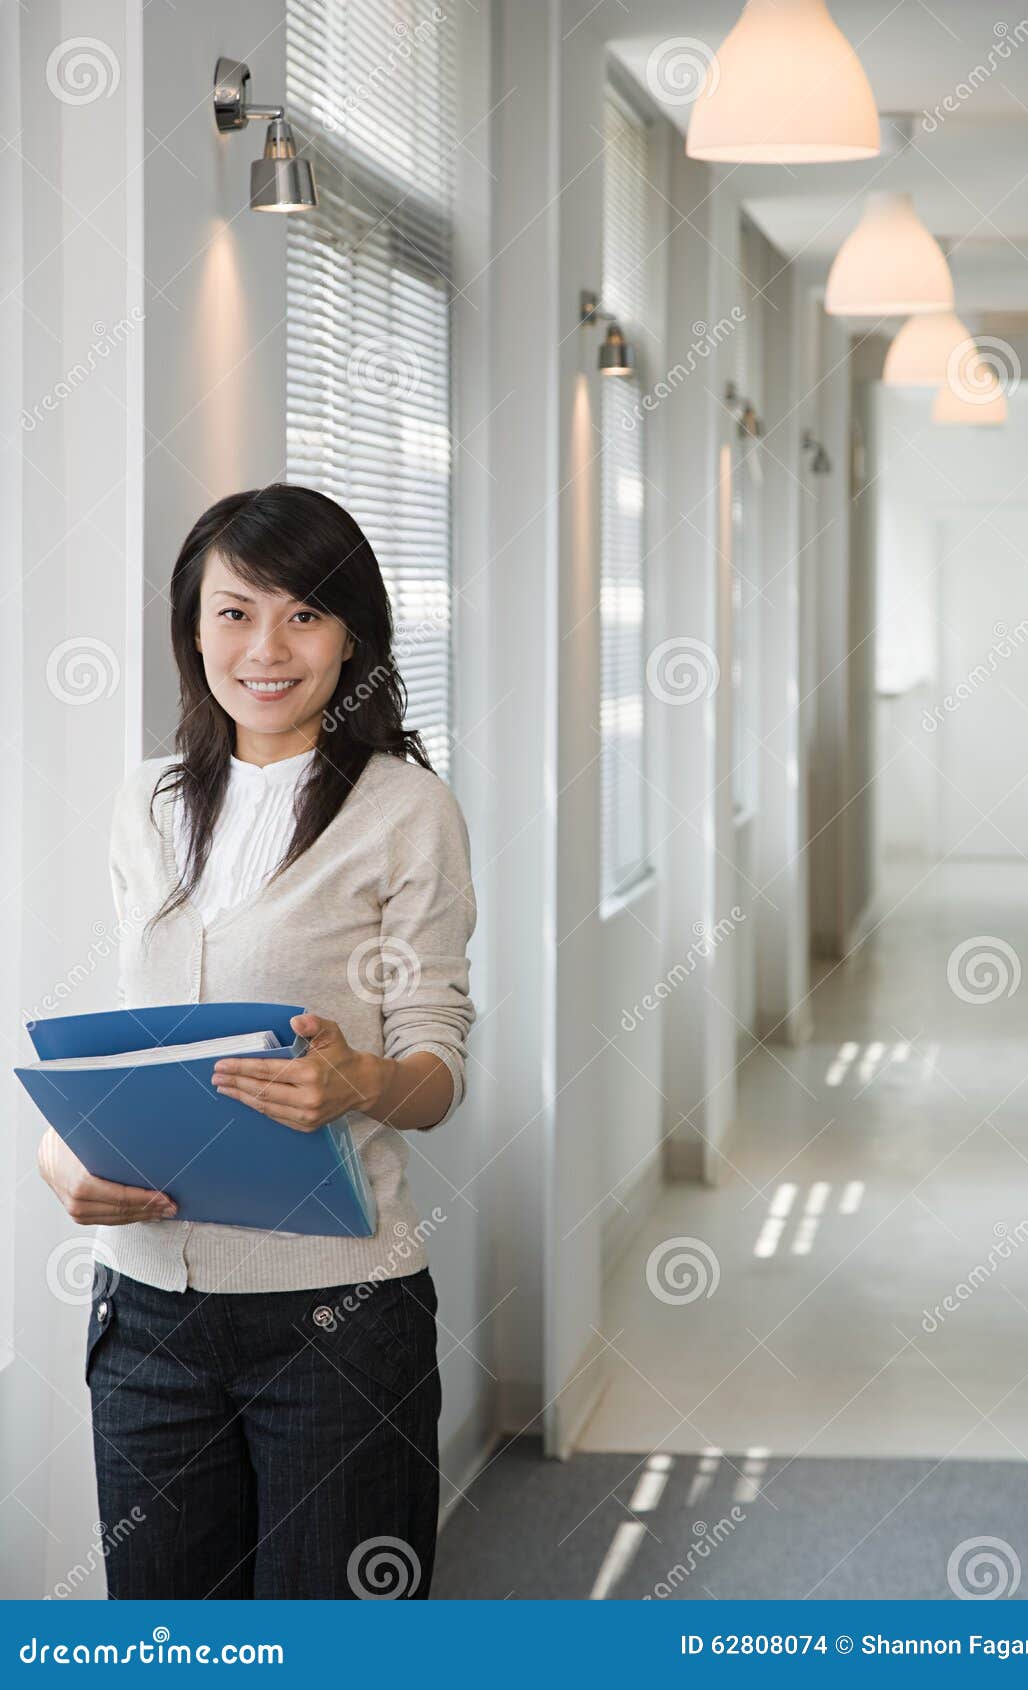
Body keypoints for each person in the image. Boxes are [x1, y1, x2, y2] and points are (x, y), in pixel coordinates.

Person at [37, 483, 477, 1600]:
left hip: (334, 1320)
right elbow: (128, 1040)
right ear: (193, 629)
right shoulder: (146, 803)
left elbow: (437, 1060)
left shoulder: (403, 808)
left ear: (351, 637)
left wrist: (361, 1078)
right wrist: (65, 1162)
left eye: (303, 614)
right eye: (234, 612)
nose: (265, 648)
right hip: (143, 1321)